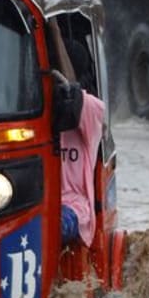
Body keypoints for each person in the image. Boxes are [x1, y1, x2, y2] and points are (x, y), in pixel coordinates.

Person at [49, 19, 105, 250]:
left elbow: (72, 92)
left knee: (52, 227)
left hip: (73, 207)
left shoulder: (92, 109)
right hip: (36, 201)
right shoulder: (35, 110)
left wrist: (55, 32)